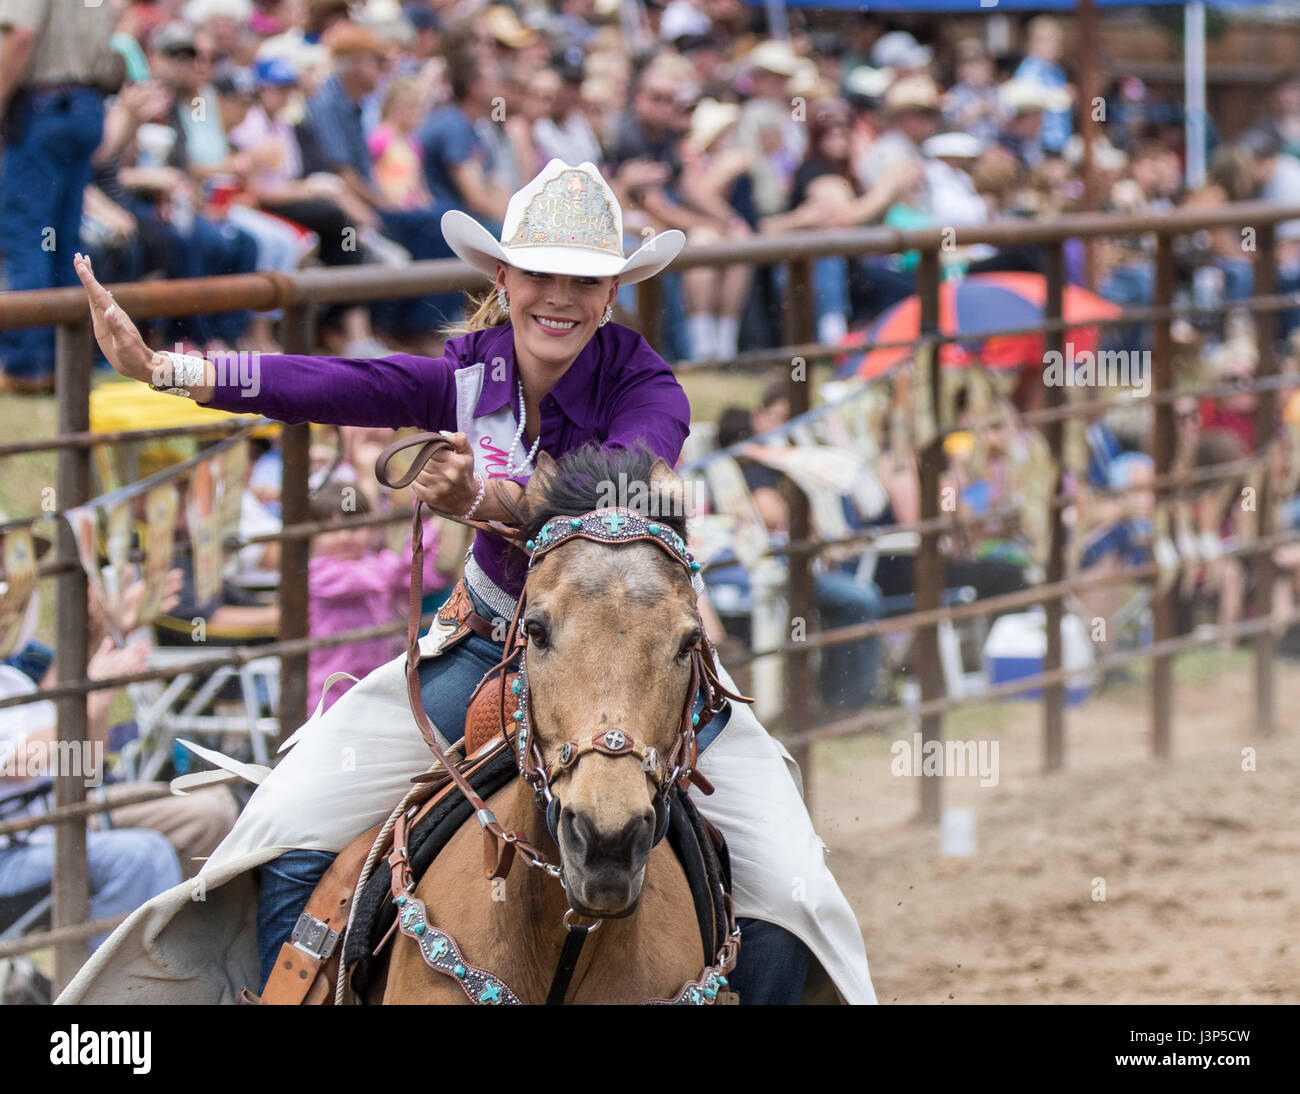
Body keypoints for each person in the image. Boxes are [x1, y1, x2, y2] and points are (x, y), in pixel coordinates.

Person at [70, 158, 876, 1006]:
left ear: (610, 296)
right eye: (539, 274)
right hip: (487, 647)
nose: (558, 297)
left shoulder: (649, 388)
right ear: (504, 276)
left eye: (585, 280)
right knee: (283, 830)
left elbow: (617, 494)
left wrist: (484, 498)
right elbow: (342, 384)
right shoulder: (469, 378)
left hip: (641, 667)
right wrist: (169, 370)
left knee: (794, 894)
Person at [0, 0, 119, 392]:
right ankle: (63, 363)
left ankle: (25, 367)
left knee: (27, 235)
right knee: (63, 241)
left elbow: (20, 34)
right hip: (84, 105)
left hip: (45, 105)